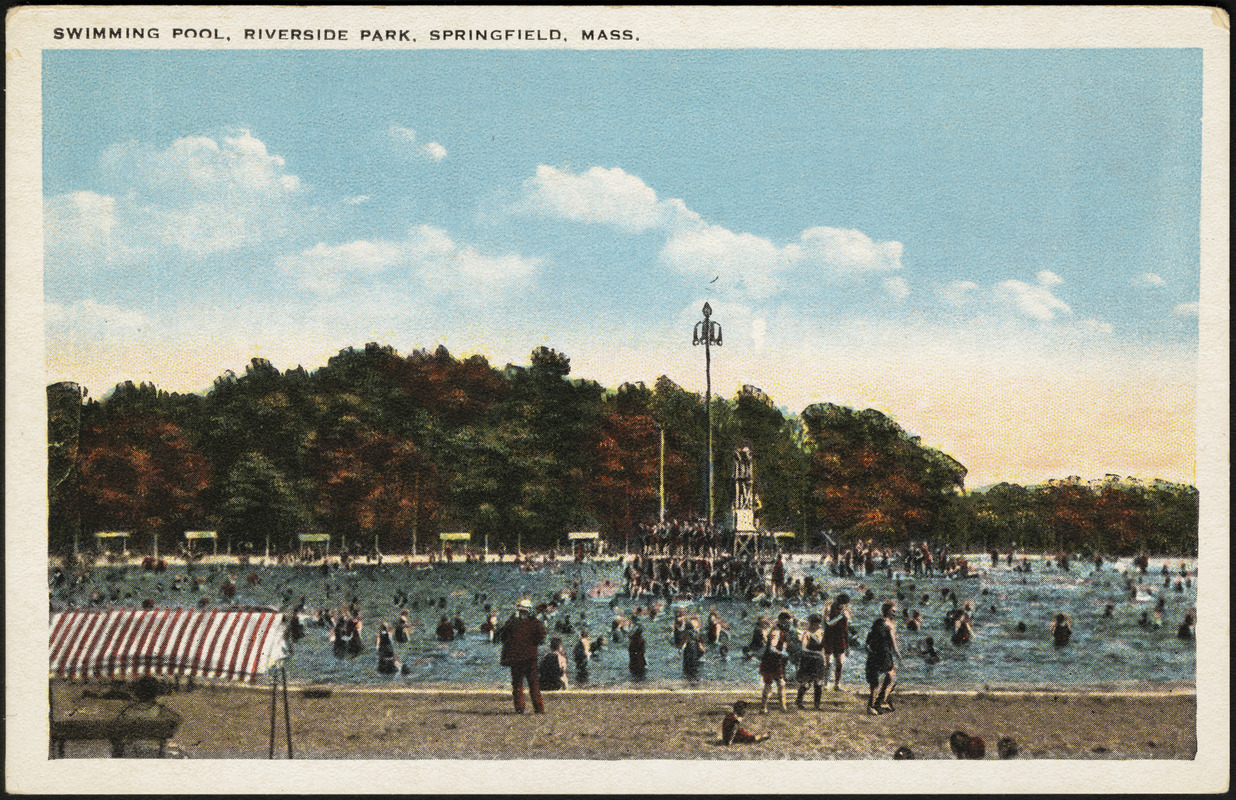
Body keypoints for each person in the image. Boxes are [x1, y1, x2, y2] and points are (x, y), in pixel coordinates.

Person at [498, 598, 547, 713]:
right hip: (530, 657)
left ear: (518, 610)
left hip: (515, 658)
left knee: (517, 684)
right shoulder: (534, 622)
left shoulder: (512, 622)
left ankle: (520, 707)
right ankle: (539, 707)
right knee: (534, 683)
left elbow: (503, 635)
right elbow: (541, 636)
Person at [865, 600, 903, 715]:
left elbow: (868, 639)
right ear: (888, 611)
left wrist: (869, 650)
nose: (895, 613)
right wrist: (900, 658)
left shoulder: (877, 622)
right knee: (890, 673)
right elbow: (893, 645)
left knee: (875, 681)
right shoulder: (890, 625)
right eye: (893, 611)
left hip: (874, 654)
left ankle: (875, 703)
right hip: (883, 654)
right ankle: (880, 700)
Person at [760, 611, 793, 713]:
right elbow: (772, 648)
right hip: (771, 660)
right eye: (787, 622)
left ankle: (781, 707)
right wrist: (782, 653)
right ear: (781, 621)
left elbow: (785, 644)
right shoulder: (776, 631)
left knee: (780, 683)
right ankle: (766, 707)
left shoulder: (782, 632)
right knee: (770, 684)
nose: (788, 625)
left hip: (776, 660)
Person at [795, 613, 826, 709]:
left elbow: (823, 649)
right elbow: (804, 648)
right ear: (811, 624)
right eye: (816, 624)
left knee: (819, 683)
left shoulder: (821, 632)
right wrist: (816, 651)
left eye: (819, 623)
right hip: (808, 660)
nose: (818, 626)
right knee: (806, 683)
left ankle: (817, 705)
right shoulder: (807, 634)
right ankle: (799, 701)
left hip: (818, 661)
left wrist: (824, 659)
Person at [823, 594, 851, 692]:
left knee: (840, 663)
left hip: (840, 639)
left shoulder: (846, 611)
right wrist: (840, 616)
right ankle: (825, 683)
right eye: (842, 604)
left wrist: (847, 646)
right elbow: (829, 623)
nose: (843, 606)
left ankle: (837, 684)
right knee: (828, 663)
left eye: (844, 604)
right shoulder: (828, 608)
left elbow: (846, 629)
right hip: (829, 638)